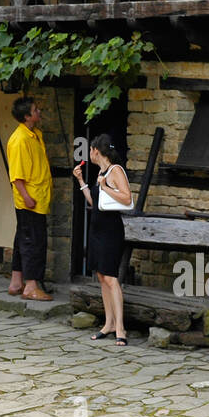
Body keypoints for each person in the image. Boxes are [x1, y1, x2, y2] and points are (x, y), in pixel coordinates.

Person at [74, 134, 132, 346]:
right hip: (97, 228)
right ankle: (108, 324)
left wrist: (106, 186)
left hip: (110, 230)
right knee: (101, 276)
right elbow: (95, 201)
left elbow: (127, 198)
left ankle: (121, 328)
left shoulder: (115, 170)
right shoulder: (101, 172)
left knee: (111, 277)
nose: (89, 153)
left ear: (96, 151)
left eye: (90, 150)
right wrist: (81, 181)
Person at [6, 96, 53, 301]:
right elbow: (16, 176)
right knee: (34, 242)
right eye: (35, 110)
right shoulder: (20, 140)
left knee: (23, 240)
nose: (39, 112)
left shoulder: (34, 135)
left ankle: (17, 282)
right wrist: (26, 197)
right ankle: (31, 286)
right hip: (30, 200)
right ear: (27, 116)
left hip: (37, 197)